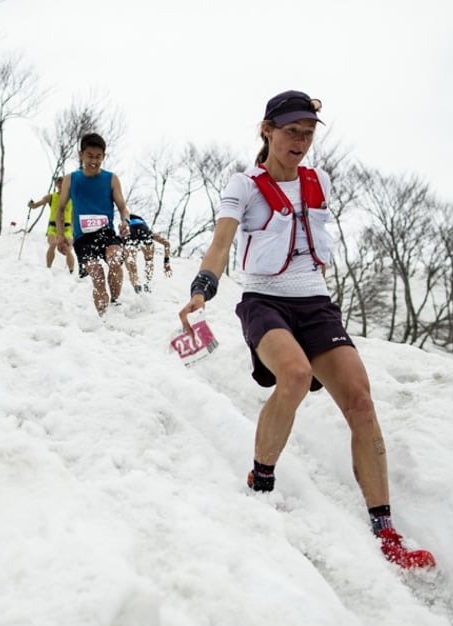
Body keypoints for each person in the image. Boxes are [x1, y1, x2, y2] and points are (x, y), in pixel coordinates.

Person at [177, 90, 435, 570]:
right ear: (267, 130)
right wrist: (202, 287)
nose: (300, 141)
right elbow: (220, 244)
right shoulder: (246, 185)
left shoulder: (321, 182)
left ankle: (385, 528)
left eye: (308, 133)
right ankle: (262, 479)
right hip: (264, 301)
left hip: (315, 303)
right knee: (293, 376)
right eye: (291, 131)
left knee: (360, 397)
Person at [57, 133, 132, 316]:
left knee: (115, 260)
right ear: (80, 155)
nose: (94, 161)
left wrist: (125, 222)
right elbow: (60, 210)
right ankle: (103, 318)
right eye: (90, 156)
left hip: (107, 233)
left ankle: (115, 301)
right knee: (97, 273)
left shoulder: (111, 179)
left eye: (98, 156)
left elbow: (123, 207)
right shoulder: (71, 179)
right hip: (83, 238)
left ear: (104, 156)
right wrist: (61, 236)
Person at [28, 176, 76, 274]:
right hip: (53, 227)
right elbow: (36, 205)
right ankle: (48, 268)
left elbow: (74, 216)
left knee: (68, 248)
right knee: (53, 243)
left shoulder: (72, 199)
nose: (60, 184)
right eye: (58, 182)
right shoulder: (51, 197)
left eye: (62, 182)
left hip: (66, 228)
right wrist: (31, 205)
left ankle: (71, 271)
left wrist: (73, 229)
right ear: (56, 185)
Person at [122, 213, 173, 293]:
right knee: (149, 260)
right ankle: (147, 284)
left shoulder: (126, 225)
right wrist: (166, 263)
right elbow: (166, 243)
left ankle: (136, 285)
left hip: (129, 232)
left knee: (131, 262)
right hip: (143, 230)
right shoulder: (145, 227)